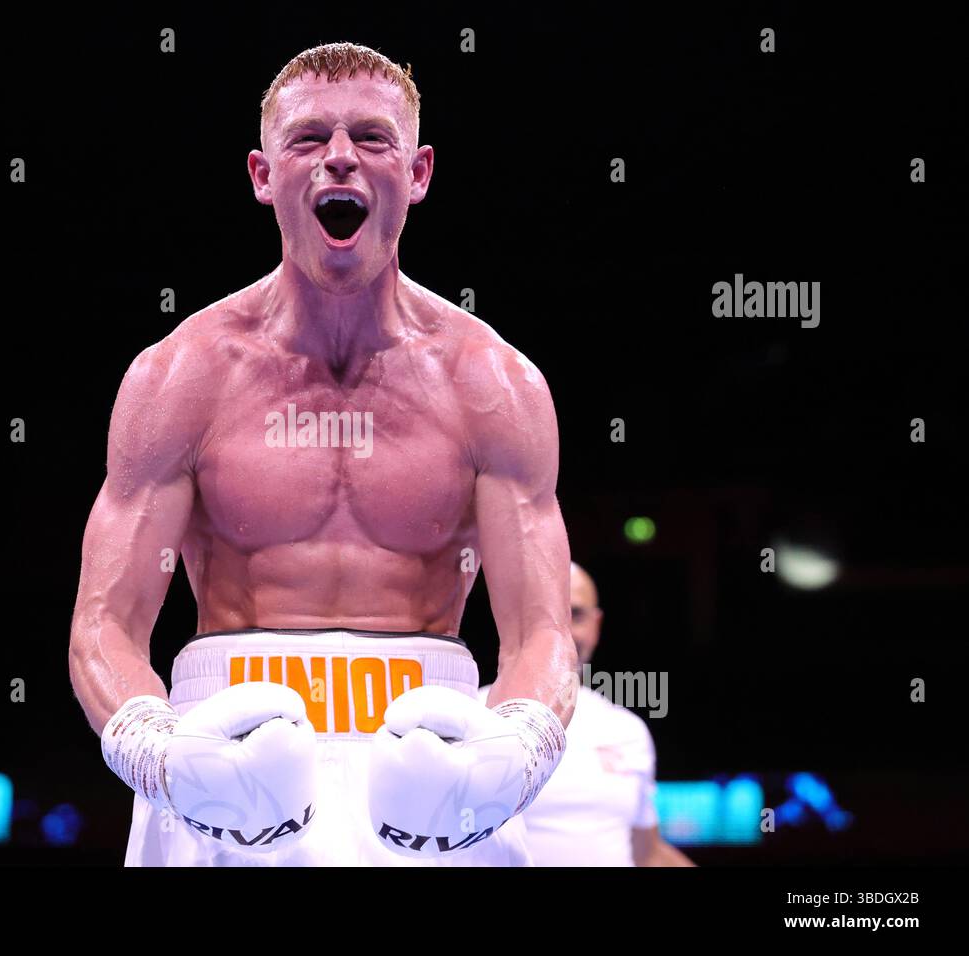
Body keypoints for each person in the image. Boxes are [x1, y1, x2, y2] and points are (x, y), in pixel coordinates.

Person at [69, 42, 577, 866]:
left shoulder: (494, 382)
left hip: (428, 758)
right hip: (229, 748)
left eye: (372, 138)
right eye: (308, 139)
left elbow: (540, 635)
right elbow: (103, 624)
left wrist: (516, 752)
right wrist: (156, 752)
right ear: (264, 175)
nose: (340, 156)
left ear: (417, 173)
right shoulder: (182, 374)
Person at [479, 563, 695, 866]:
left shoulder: (627, 730)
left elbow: (647, 853)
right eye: (547, 618)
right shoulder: (476, 717)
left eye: (575, 615)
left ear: (596, 624)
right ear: (514, 621)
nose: (562, 634)